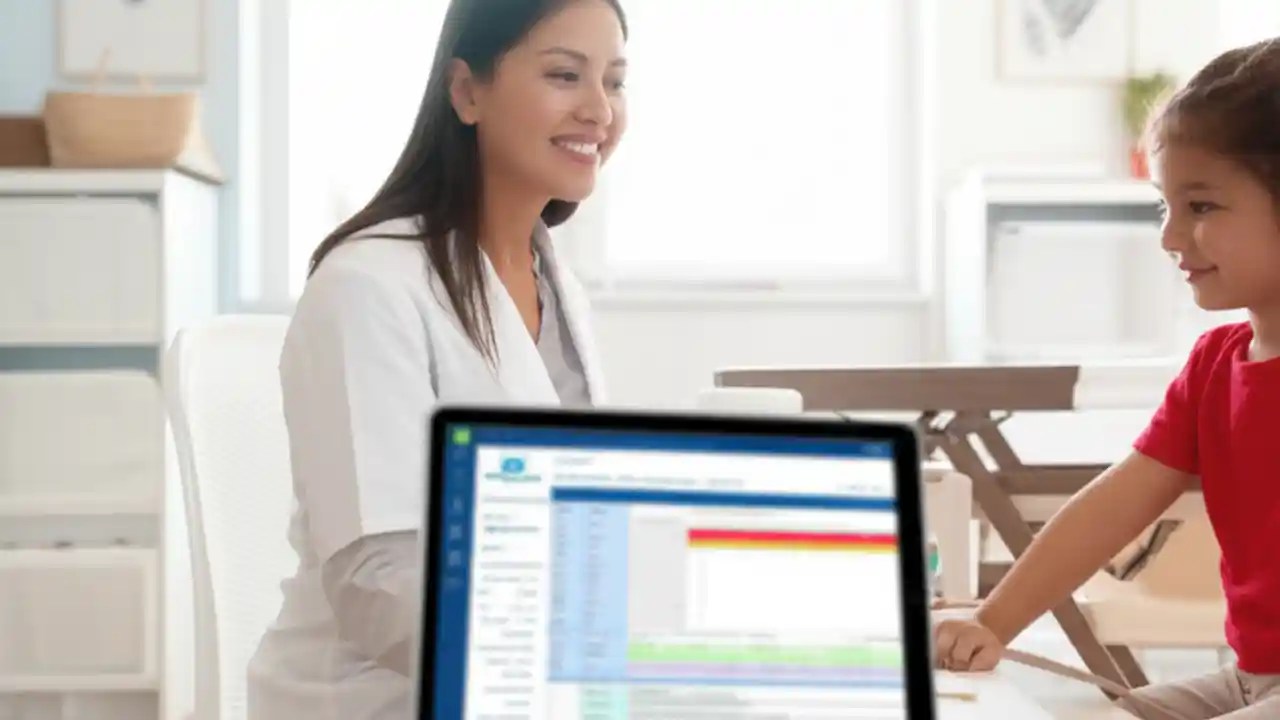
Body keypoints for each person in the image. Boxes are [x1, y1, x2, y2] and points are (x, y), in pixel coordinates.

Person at [247, 1, 628, 717]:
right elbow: (377, 582)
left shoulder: (559, 288)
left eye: (614, 81)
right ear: (466, 91)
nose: (599, 111)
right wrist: (580, 665)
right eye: (564, 75)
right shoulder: (367, 285)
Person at [934, 37, 1280, 719]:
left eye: (1201, 207)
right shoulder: (1214, 367)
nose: (1169, 237)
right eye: (1164, 206)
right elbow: (1109, 509)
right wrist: (993, 621)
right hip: (1251, 678)